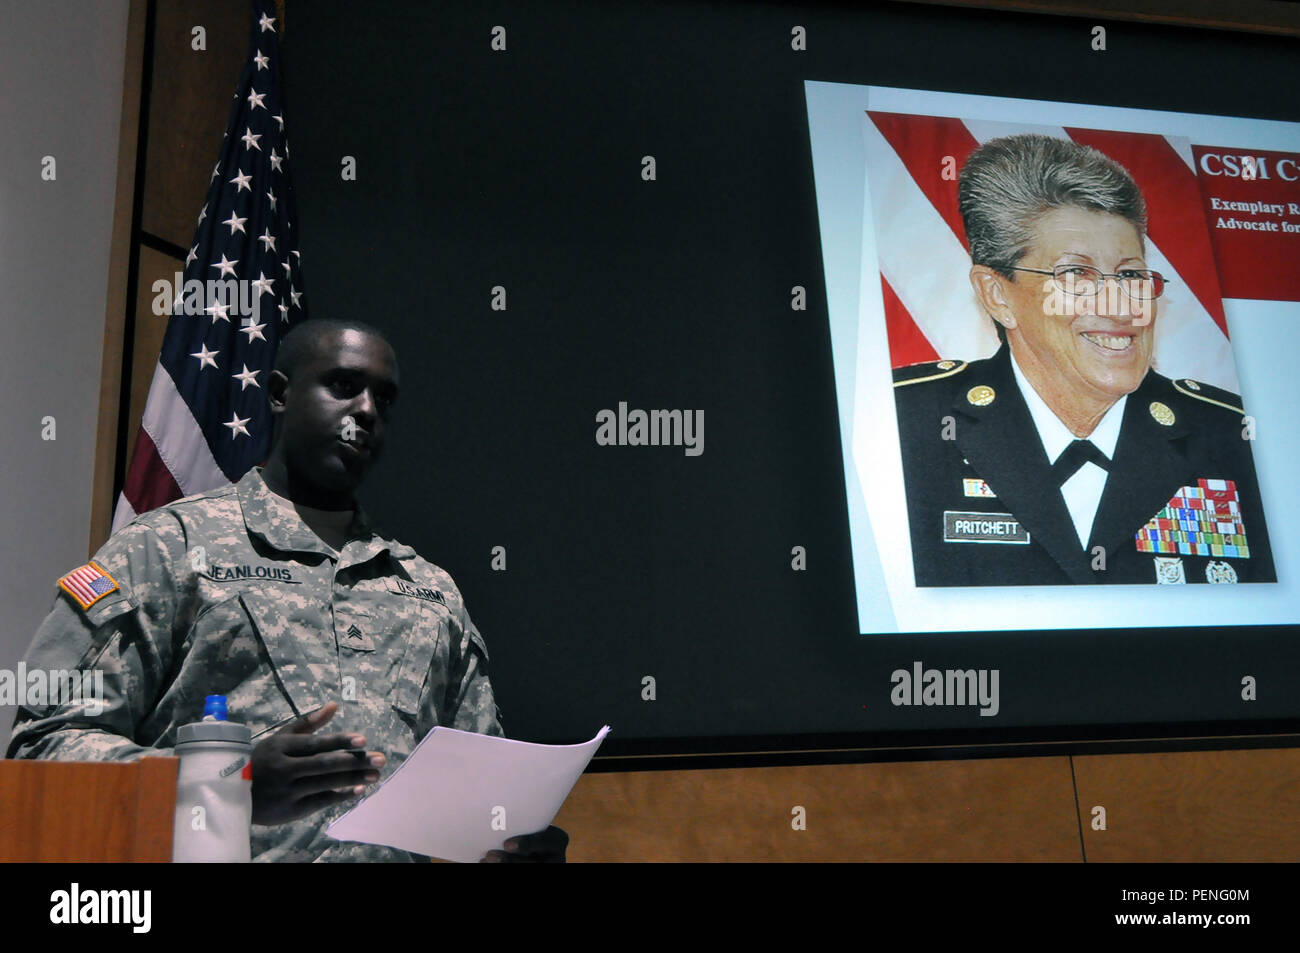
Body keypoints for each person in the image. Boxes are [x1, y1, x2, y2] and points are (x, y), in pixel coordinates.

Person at [7, 318, 568, 862]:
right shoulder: (167, 549)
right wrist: (227, 785)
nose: (367, 412)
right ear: (279, 394)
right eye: (344, 386)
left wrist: (514, 838)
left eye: (384, 399)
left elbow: (482, 793)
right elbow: (43, 750)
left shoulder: (429, 591)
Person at [892, 134, 1274, 587]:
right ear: (997, 295)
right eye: (1076, 274)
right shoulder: (903, 424)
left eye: (1130, 274)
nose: (1120, 306)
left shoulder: (1233, 437)